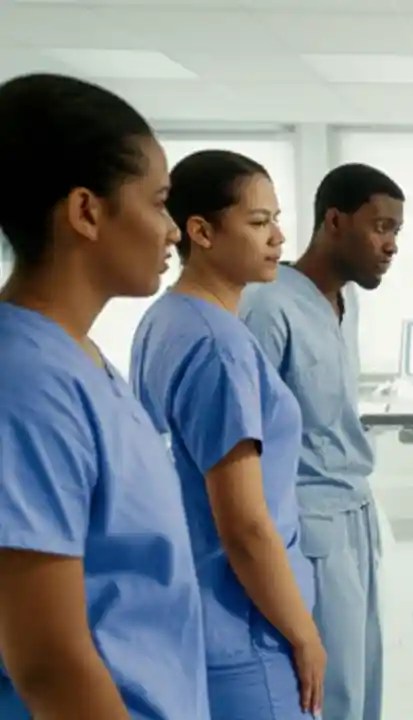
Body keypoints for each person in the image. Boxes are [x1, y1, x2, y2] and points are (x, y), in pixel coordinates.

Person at [0, 73, 207, 719]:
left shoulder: (77, 359)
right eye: (158, 203)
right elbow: (48, 661)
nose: (172, 231)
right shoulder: (26, 382)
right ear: (87, 210)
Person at [130, 149, 327, 719]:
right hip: (249, 630)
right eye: (259, 222)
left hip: (203, 615)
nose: (279, 238)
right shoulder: (220, 347)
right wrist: (304, 635)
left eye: (277, 220)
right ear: (202, 231)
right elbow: (244, 525)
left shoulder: (167, 321)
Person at [240, 163, 404, 720]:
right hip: (310, 523)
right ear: (334, 221)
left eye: (396, 232)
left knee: (363, 678)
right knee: (328, 692)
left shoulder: (345, 301)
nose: (391, 245)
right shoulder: (268, 306)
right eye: (381, 227)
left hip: (355, 513)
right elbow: (250, 443)